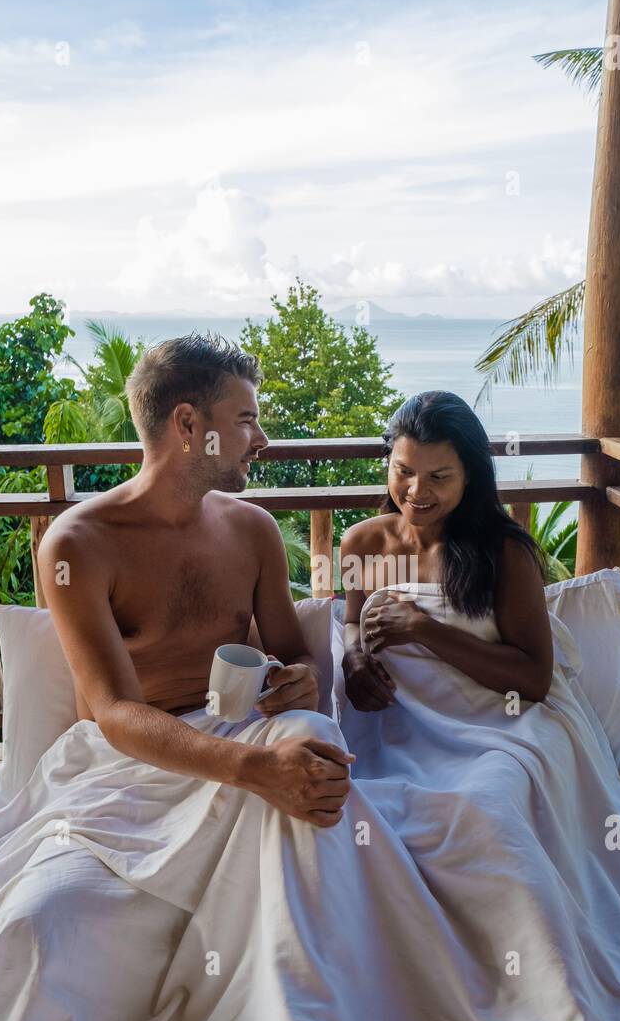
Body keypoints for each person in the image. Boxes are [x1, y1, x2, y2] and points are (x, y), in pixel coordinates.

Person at [38, 332, 353, 829]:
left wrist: (304, 681)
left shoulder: (253, 531)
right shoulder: (79, 545)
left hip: (244, 734)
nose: (262, 439)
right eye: (246, 420)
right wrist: (256, 771)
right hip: (127, 766)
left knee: (314, 756)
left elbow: (296, 653)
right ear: (188, 423)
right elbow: (114, 710)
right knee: (54, 904)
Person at [340, 389, 554, 710]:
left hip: (497, 721)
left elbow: (535, 680)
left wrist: (423, 629)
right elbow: (354, 621)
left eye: (438, 477)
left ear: (469, 475)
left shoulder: (505, 553)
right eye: (404, 471)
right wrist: (353, 657)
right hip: (396, 718)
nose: (416, 491)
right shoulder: (361, 542)